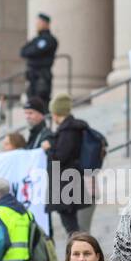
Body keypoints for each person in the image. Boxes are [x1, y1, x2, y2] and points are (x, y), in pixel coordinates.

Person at [47, 94, 87, 235]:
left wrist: (49, 148)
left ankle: (77, 251)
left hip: (66, 183)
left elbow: (61, 157)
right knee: (71, 224)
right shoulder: (70, 129)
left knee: (71, 226)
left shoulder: (68, 131)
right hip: (68, 181)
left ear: (57, 113)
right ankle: (76, 251)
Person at [19, 12, 58, 101]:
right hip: (32, 76)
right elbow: (23, 52)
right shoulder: (36, 39)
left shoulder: (49, 39)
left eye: (39, 23)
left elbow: (35, 51)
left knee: (41, 101)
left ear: (45, 23)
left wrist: (33, 52)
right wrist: (33, 51)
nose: (37, 25)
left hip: (42, 76)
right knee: (32, 101)